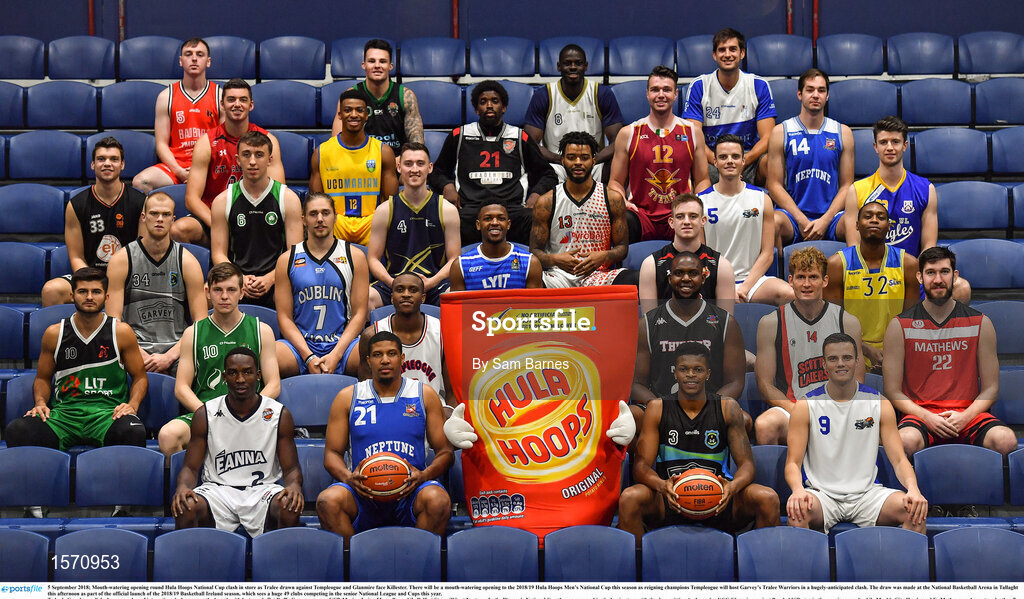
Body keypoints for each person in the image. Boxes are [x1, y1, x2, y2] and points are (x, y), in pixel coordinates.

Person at [618, 344, 779, 545]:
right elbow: (641, 467)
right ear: (675, 373)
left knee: (767, 497)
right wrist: (662, 485)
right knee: (630, 497)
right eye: (684, 369)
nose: (690, 375)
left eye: (698, 369)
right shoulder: (657, 408)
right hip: (670, 497)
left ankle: (758, 570)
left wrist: (732, 486)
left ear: (708, 374)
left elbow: (746, 465)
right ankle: (639, 571)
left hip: (719, 498)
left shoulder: (727, 407)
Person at [785, 333, 927, 534]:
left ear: (857, 361)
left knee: (914, 511)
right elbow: (793, 462)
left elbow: (898, 460)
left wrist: (913, 489)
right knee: (797, 513)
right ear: (824, 365)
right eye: (833, 359)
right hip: (822, 494)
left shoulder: (879, 403)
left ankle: (897, 566)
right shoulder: (806, 406)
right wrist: (797, 490)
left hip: (867, 494)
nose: (840, 364)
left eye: (847, 358)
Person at [316, 331, 453, 538]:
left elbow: (445, 452)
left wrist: (424, 475)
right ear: (369, 361)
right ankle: (352, 566)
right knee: (328, 501)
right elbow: (332, 454)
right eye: (378, 355)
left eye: (392, 353)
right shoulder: (348, 397)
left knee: (438, 500)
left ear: (402, 358)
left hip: (411, 492)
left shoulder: (423, 394)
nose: (385, 360)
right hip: (364, 493)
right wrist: (348, 477)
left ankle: (418, 566)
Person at [883, 246, 1016, 457]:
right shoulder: (900, 325)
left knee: (1006, 440)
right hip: (921, 414)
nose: (938, 279)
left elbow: (991, 388)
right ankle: (911, 490)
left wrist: (964, 417)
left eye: (944, 272)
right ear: (919, 277)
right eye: (930, 273)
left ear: (954, 276)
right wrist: (928, 417)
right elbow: (893, 391)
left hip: (968, 413)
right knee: (904, 441)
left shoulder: (980, 323)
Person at [4, 268, 148, 450]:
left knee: (134, 432)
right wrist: (40, 403)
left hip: (107, 415)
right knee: (18, 431)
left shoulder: (121, 332)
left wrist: (132, 406)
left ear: (107, 297)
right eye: (82, 291)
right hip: (64, 416)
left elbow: (140, 377)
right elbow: (42, 378)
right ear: (72, 296)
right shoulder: (54, 333)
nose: (89, 297)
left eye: (96, 292)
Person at [171, 347, 303, 536]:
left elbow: (291, 469)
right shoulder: (205, 414)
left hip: (262, 491)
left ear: (258, 375)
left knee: (289, 505)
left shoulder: (278, 414)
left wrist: (294, 487)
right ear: (224, 377)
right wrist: (183, 487)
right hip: (218, 491)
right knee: (187, 506)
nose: (240, 379)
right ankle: (194, 565)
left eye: (247, 372)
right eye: (233, 373)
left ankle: (279, 564)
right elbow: (191, 467)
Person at [159, 262, 280, 458]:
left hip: (251, 414)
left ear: (241, 292)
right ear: (207, 292)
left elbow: (274, 384)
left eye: (231, 290)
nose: (224, 296)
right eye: (218, 290)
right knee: (168, 435)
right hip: (206, 412)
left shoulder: (262, 330)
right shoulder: (193, 333)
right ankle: (194, 485)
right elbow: (181, 388)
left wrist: (251, 412)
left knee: (283, 431)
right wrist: (211, 415)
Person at [845, 116, 971, 302]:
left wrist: (913, 276)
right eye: (883, 142)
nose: (889, 147)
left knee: (962, 288)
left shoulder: (925, 189)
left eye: (895, 142)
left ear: (905, 145)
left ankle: (934, 330)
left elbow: (929, 246)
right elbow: (854, 248)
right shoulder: (857, 190)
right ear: (875, 147)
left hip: (912, 274)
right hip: (872, 277)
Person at [753, 247, 865, 445]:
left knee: (872, 422)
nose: (806, 284)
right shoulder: (771, 323)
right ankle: (774, 477)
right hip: (793, 408)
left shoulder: (847, 321)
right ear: (790, 280)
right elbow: (765, 385)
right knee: (764, 425)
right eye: (800, 277)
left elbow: (857, 379)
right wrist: (797, 411)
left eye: (813, 277)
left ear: (825, 281)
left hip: (838, 407)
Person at [430, 80, 557, 246]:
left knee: (535, 216)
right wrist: (447, 185)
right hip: (471, 210)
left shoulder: (520, 137)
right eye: (483, 102)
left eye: (495, 101)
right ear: (476, 109)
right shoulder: (459, 135)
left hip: (511, 210)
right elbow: (436, 172)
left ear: (503, 107)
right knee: (444, 217)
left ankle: (539, 267)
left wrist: (535, 195)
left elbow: (548, 174)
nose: (489, 105)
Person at [105, 192, 208, 374]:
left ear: (173, 220)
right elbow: (114, 321)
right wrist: (138, 353)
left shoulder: (188, 262)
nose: (160, 219)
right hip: (134, 348)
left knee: (195, 369)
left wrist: (169, 357)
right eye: (154, 214)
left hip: (177, 350)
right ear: (143, 217)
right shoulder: (122, 260)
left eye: (166, 215)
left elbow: (201, 323)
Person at [173, 78, 283, 246]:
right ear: (222, 104)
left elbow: (278, 193)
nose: (237, 104)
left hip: (257, 218)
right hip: (216, 218)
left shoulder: (268, 141)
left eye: (243, 100)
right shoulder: (206, 142)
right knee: (179, 230)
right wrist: (221, 226)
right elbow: (191, 199)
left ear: (251, 105)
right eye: (231, 99)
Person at [634, 252, 746, 414]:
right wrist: (664, 408)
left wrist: (706, 407)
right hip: (662, 411)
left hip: (710, 409)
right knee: (632, 415)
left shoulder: (726, 322)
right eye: (679, 273)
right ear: (669, 278)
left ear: (703, 278)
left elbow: (735, 383)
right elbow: (636, 384)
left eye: (693, 273)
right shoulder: (647, 324)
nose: (686, 278)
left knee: (743, 420)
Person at [609, 66, 710, 243]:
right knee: (621, 219)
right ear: (647, 94)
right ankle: (620, 270)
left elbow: (702, 180)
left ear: (676, 94)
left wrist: (695, 206)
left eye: (667, 90)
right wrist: (622, 201)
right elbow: (615, 182)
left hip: (680, 215)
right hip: (641, 215)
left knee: (702, 222)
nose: (661, 95)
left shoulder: (693, 132)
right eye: (655, 90)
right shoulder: (629, 133)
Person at [41, 137, 145, 306]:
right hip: (90, 275)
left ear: (122, 165)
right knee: (51, 290)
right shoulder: (77, 204)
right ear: (92, 165)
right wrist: (92, 284)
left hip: (129, 278)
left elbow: (142, 254)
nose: (107, 163)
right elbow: (76, 257)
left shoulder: (140, 202)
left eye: (114, 159)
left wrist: (117, 283)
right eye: (101, 159)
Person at [274, 192, 369, 378]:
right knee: (267, 358)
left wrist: (336, 354)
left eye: (325, 213)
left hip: (344, 345)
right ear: (303, 220)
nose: (320, 219)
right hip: (300, 346)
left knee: (374, 358)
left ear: (335, 217)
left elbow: (359, 314)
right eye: (313, 214)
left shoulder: (355, 257)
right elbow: (284, 318)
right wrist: (308, 356)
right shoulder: (287, 259)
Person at [210, 131, 302, 309]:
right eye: (246, 155)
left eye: (259, 155)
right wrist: (239, 279)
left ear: (269, 160)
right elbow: (218, 253)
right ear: (237, 160)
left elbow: (295, 254)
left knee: (293, 297)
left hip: (277, 280)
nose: (252, 161)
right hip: (237, 280)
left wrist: (270, 278)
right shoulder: (223, 201)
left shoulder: (287, 199)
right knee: (208, 294)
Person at [530, 131, 634, 288]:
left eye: (584, 158)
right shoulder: (546, 201)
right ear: (563, 160)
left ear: (593, 160)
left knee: (637, 279)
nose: (578, 162)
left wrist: (604, 256)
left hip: (598, 276)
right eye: (571, 158)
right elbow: (535, 251)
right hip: (558, 277)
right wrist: (555, 259)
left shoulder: (612, 199)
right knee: (524, 279)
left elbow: (622, 248)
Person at [700, 134, 794, 305]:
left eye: (735, 156)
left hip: (753, 280)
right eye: (723, 157)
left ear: (743, 161)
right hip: (713, 280)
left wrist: (743, 288)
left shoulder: (762, 199)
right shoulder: (700, 202)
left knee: (789, 294)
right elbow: (699, 254)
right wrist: (724, 288)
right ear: (715, 162)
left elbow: (767, 253)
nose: (730, 161)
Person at [825, 201, 918, 373]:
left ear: (889, 226)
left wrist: (893, 353)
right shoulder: (837, 264)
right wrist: (864, 349)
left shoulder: (909, 264)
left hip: (897, 349)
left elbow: (909, 322)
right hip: (849, 350)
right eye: (868, 217)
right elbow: (833, 322)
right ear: (857, 225)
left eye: (880, 217)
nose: (874, 220)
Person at [366, 142, 460, 310]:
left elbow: (454, 259)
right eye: (408, 164)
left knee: (455, 296)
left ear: (430, 168)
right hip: (394, 282)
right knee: (366, 298)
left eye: (420, 164)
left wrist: (430, 283)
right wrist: (394, 283)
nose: (414, 169)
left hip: (433, 284)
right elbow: (373, 258)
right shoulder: (384, 210)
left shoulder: (447, 209)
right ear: (398, 167)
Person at [766, 69, 854, 245]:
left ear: (827, 96)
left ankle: (855, 271)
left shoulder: (842, 132)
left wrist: (825, 221)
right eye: (810, 90)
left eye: (821, 90)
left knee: (855, 222)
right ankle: (776, 272)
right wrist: (802, 220)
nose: (816, 95)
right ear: (799, 94)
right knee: (772, 223)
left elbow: (847, 186)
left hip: (831, 218)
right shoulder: (781, 132)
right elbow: (774, 185)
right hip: (793, 217)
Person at [683, 29, 776, 185]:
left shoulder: (758, 85)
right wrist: (720, 162)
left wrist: (743, 161)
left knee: (772, 162)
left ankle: (775, 208)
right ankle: (703, 207)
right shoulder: (700, 86)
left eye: (733, 49)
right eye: (722, 50)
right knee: (694, 163)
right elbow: (694, 137)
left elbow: (768, 137)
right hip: (713, 158)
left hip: (748, 157)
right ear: (714, 55)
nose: (727, 54)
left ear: (742, 53)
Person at [523, 44, 624, 181]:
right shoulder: (544, 95)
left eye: (578, 63)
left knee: (619, 158)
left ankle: (611, 198)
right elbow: (530, 142)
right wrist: (560, 159)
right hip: (557, 166)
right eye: (567, 63)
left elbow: (618, 141)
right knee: (535, 164)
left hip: (594, 166)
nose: (573, 67)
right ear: (559, 66)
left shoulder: (601, 94)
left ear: (586, 66)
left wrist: (592, 160)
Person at [133, 38, 221, 193]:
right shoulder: (166, 97)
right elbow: (161, 144)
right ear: (181, 61)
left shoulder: (220, 96)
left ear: (208, 62)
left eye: (200, 54)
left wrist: (202, 170)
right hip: (176, 165)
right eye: (188, 54)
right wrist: (179, 171)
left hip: (210, 166)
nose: (194, 58)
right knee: (141, 182)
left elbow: (223, 143)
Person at [311, 88, 398, 245]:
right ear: (340, 115)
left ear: (367, 115)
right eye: (347, 110)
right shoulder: (321, 153)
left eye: (359, 110)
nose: (353, 114)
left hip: (372, 226)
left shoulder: (383, 152)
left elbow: (391, 203)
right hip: (335, 226)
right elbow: (316, 203)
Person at [360, 273, 450, 404]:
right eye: (400, 290)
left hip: (432, 407)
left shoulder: (443, 332)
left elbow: (452, 390)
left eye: (413, 290)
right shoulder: (371, 335)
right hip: (388, 407)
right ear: (391, 298)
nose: (406, 294)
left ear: (423, 297)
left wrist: (452, 415)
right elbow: (365, 390)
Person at [637, 194, 736, 314]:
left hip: (708, 332)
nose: (687, 222)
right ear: (671, 222)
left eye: (693, 216)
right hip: (665, 332)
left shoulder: (722, 265)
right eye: (680, 217)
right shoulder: (651, 265)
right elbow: (649, 323)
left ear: (703, 221)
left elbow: (726, 324)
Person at [330, 39, 424, 152]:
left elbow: (418, 147)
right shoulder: (349, 97)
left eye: (383, 61)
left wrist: (400, 161)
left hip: (398, 163)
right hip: (362, 162)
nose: (377, 65)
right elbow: (336, 145)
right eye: (372, 61)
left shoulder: (406, 96)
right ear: (363, 65)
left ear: (391, 66)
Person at [448, 203, 544, 291]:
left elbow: (534, 307)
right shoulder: (460, 265)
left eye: (501, 218)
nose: (494, 223)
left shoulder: (530, 263)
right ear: (478, 225)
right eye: (488, 218)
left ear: (508, 224)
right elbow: (457, 308)